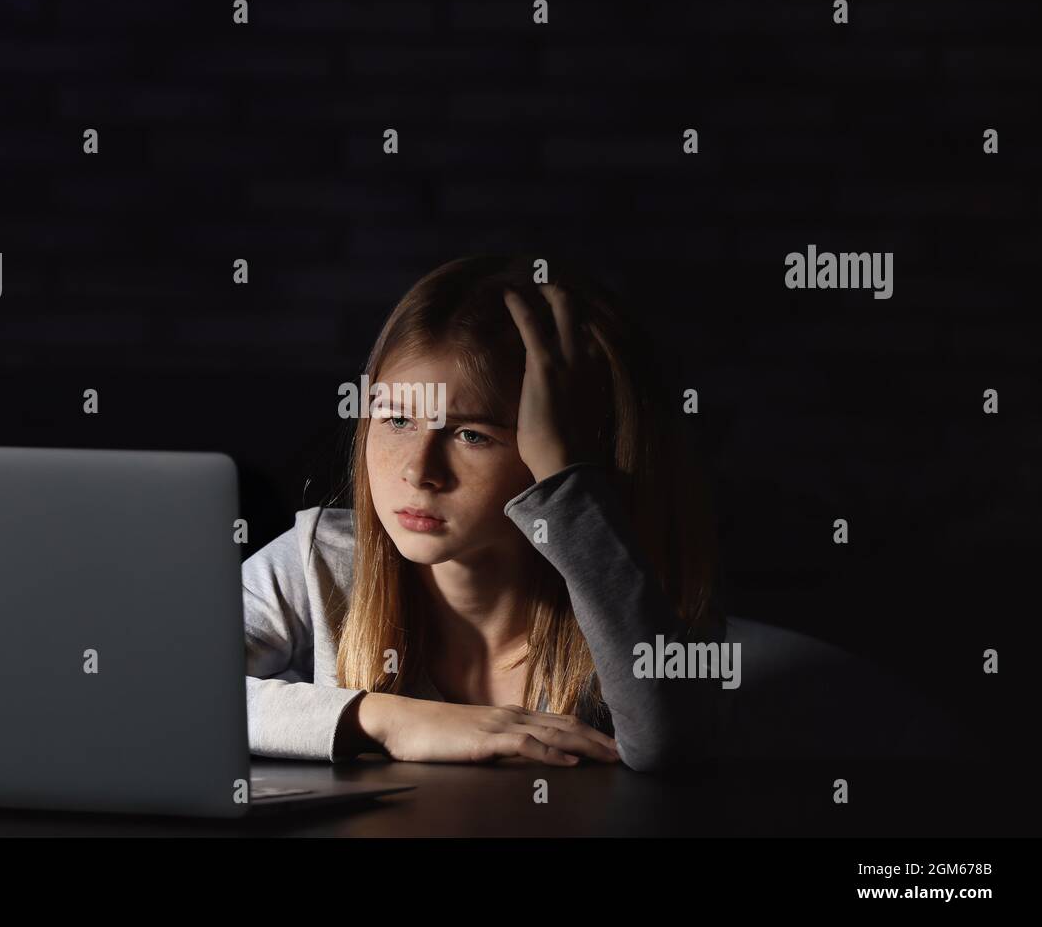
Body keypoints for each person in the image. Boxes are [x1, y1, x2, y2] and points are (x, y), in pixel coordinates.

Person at [242, 254, 727, 772]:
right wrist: (389, 719)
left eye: (473, 434)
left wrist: (567, 484)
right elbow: (157, 682)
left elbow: (668, 744)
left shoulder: (635, 591)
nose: (419, 471)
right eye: (398, 419)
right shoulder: (323, 559)